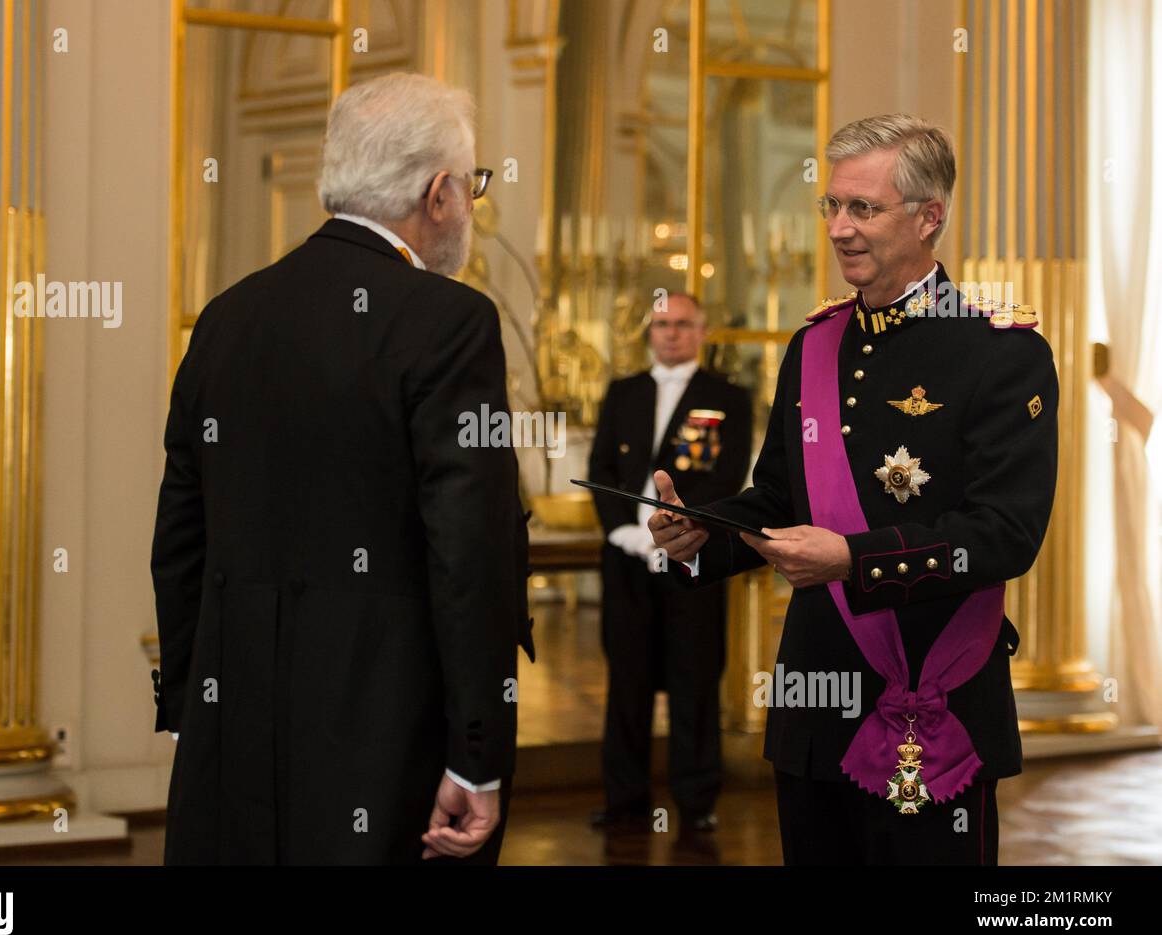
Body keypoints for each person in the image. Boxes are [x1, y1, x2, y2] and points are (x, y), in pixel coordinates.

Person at [650, 113, 1058, 865]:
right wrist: (700, 531)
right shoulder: (813, 344)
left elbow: (1006, 533)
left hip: (940, 696)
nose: (838, 228)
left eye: (862, 208)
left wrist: (856, 559)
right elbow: (777, 496)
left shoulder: (1002, 353)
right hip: (816, 698)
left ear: (929, 217)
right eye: (831, 206)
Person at [150, 72, 534, 865]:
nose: (470, 205)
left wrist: (194, 709)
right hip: (387, 742)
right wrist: (476, 753)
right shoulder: (449, 322)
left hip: (233, 739)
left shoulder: (226, 316)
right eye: (473, 187)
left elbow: (180, 534)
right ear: (438, 193)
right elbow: (471, 551)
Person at [586, 293, 752, 831]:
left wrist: (677, 534)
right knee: (627, 681)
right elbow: (602, 467)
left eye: (682, 324)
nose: (672, 333)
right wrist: (623, 531)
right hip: (627, 563)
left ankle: (697, 802)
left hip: (692, 562)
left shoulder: (728, 397)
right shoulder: (623, 392)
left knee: (695, 678)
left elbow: (726, 479)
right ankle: (624, 801)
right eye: (661, 324)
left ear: (702, 331)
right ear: (648, 332)